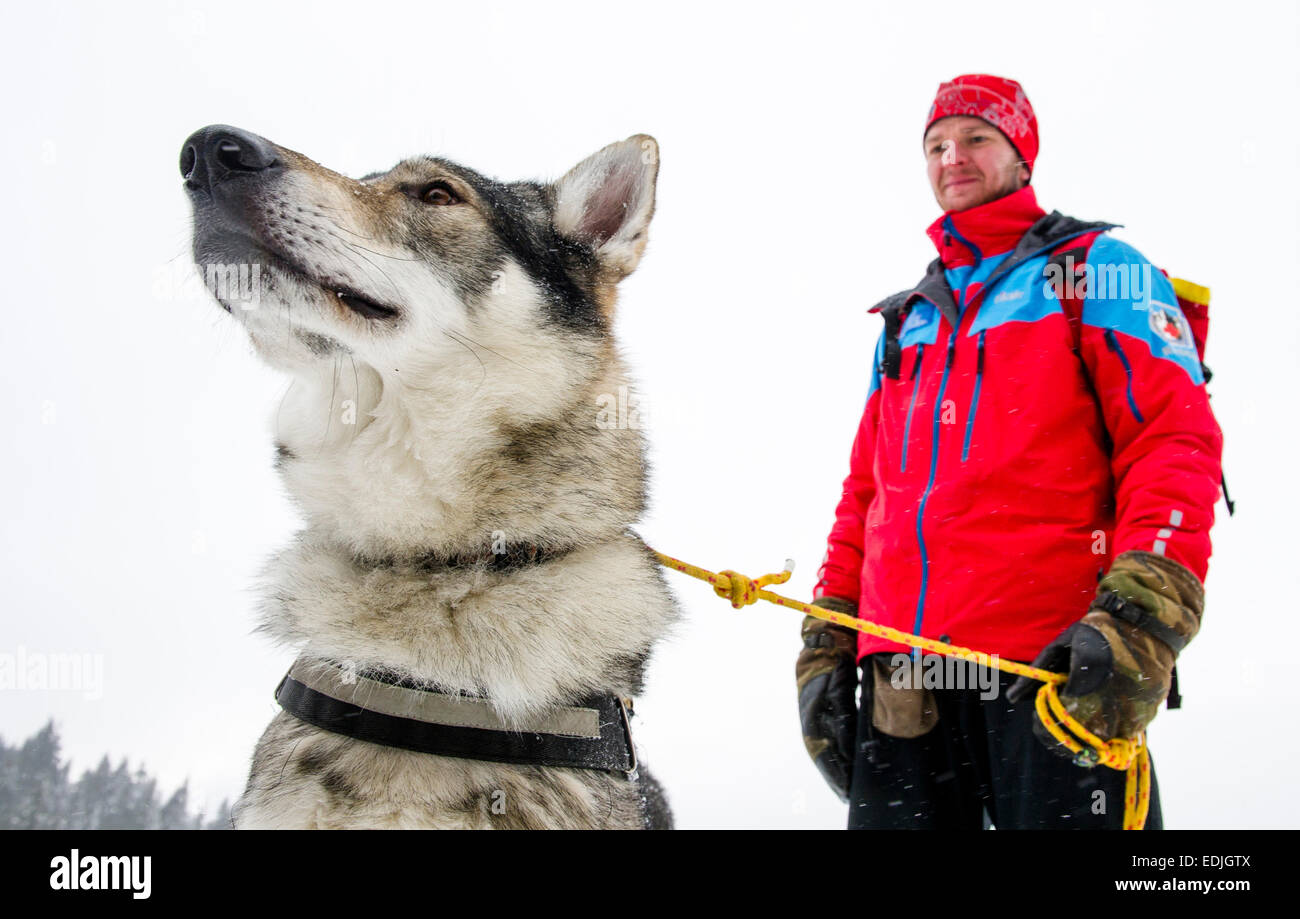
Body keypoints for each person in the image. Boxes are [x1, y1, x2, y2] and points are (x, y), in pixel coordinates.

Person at [795, 74, 1224, 829]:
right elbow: (867, 489)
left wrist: (1142, 616)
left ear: (1022, 152)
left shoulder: (1100, 269)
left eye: (976, 137)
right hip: (905, 673)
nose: (951, 157)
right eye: (935, 146)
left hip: (1050, 668)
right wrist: (831, 628)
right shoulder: (909, 318)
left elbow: (1174, 439)